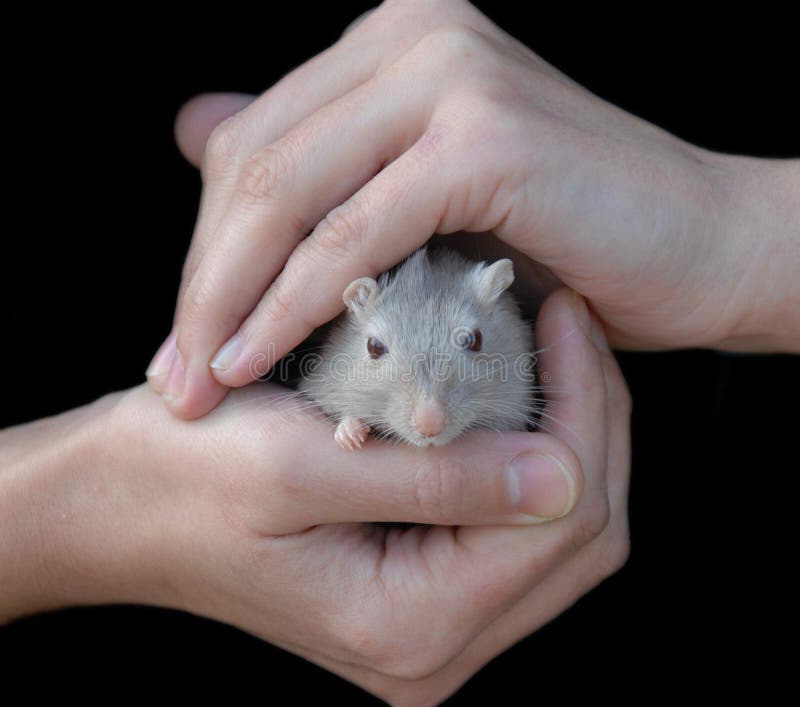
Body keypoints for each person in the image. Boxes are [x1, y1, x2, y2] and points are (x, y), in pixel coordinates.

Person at [1, 2, 796, 704]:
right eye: (380, 349)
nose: (430, 414)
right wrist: (71, 519)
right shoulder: (341, 327)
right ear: (355, 315)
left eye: (470, 350)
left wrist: (751, 242)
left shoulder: (501, 312)